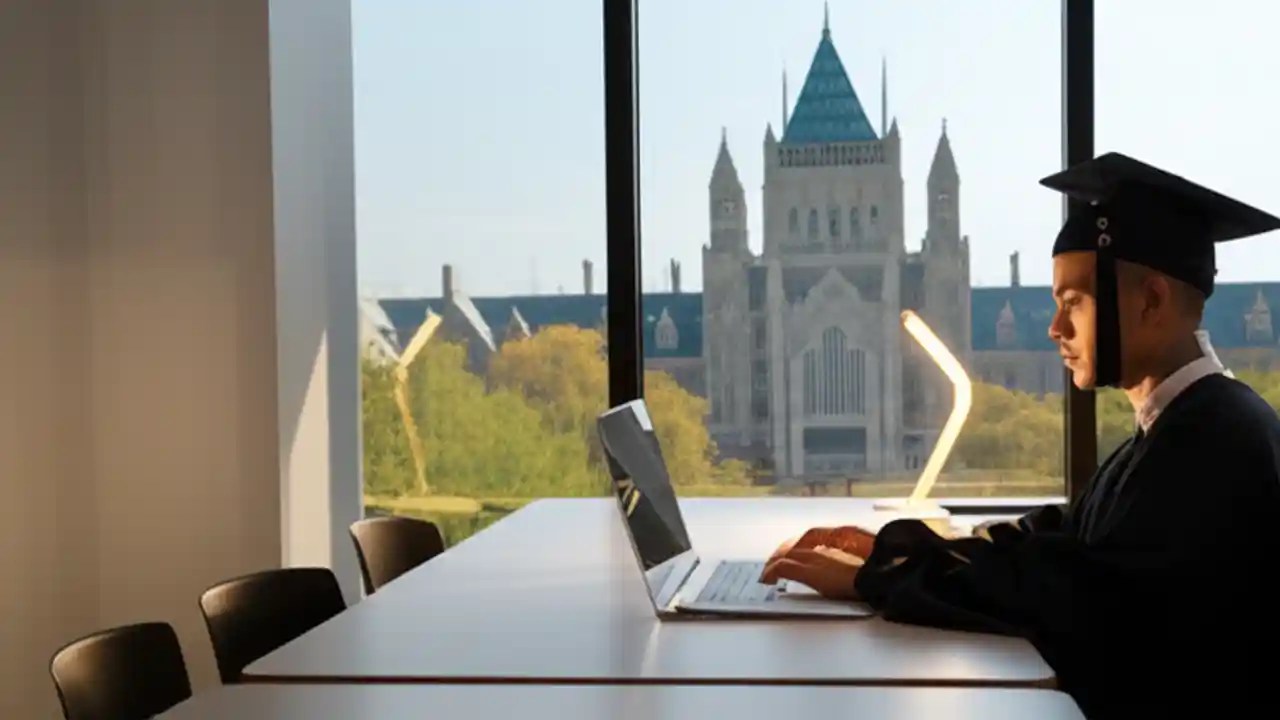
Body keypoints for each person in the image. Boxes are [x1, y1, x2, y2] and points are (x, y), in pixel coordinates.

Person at [761, 152, 1280, 718]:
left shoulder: (1216, 449)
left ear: (1151, 300)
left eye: (1073, 303)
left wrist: (881, 578)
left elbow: (1072, 598)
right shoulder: (1181, 426)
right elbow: (1057, 544)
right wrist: (892, 547)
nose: (1056, 329)